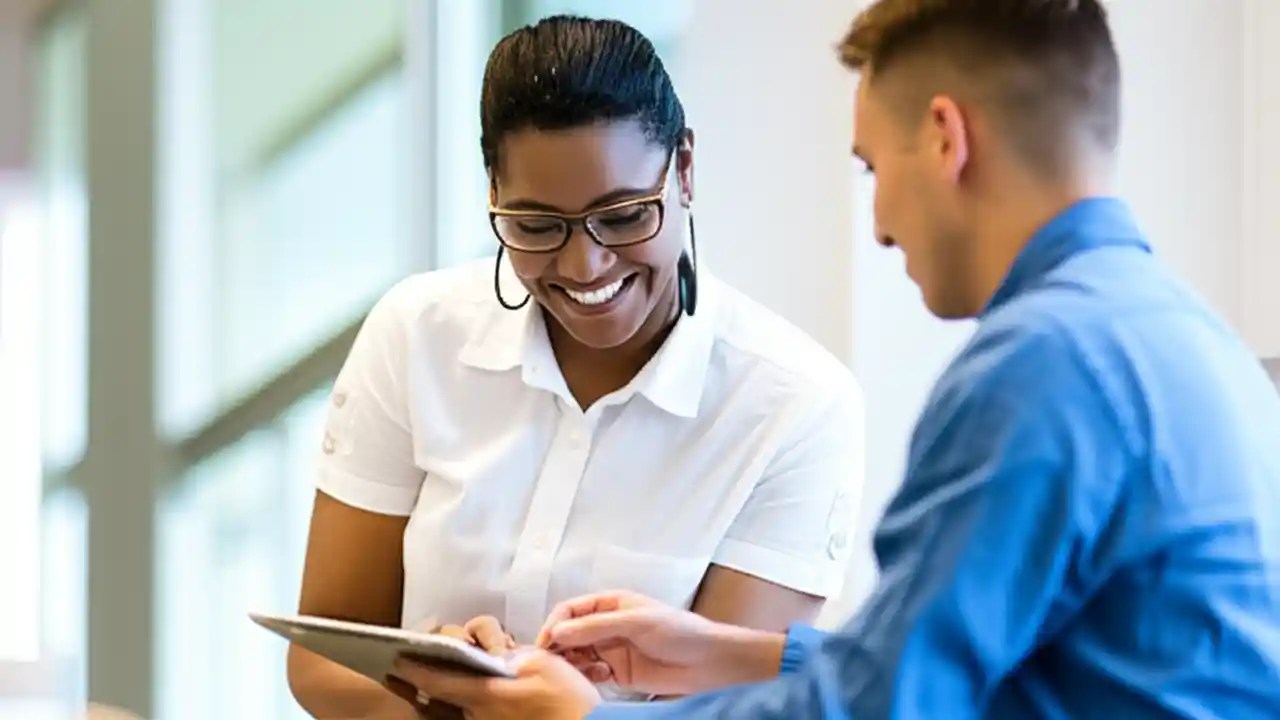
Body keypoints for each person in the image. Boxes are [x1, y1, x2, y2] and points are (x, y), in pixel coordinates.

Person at [387, 0, 1280, 718]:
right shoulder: (1187, 342)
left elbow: (889, 703)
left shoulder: (1044, 367)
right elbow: (991, 657)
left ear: (944, 138)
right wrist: (732, 654)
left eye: (870, 169)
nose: (882, 224)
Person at [286, 15, 864, 719]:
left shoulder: (794, 405)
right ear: (493, 193)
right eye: (536, 227)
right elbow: (319, 658)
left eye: (622, 216)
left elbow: (749, 708)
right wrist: (431, 685)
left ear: (683, 169)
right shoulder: (418, 334)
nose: (584, 265)